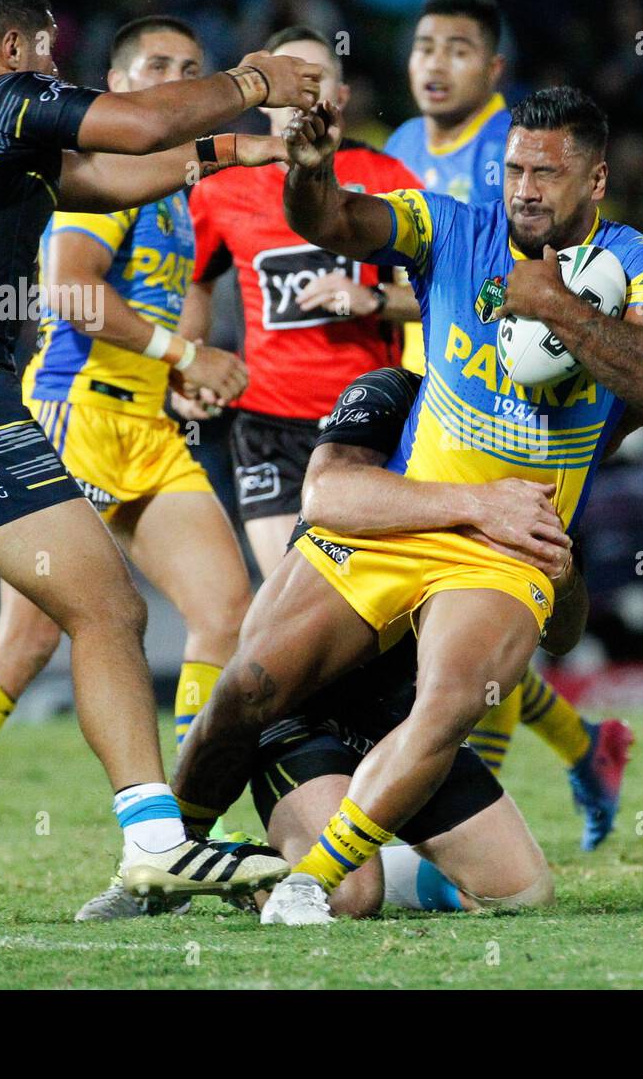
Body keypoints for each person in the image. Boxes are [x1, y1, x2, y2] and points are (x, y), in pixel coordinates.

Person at [0, 0, 320, 902]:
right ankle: (156, 837)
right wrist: (255, 79)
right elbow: (136, 131)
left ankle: (144, 834)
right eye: (49, 47)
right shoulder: (3, 98)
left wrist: (229, 148)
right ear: (16, 48)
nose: (53, 62)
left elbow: (104, 181)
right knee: (106, 610)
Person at [175, 85, 643, 925]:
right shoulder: (451, 228)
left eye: (547, 174)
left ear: (595, 182)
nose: (524, 188)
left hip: (503, 549)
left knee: (464, 740)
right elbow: (334, 222)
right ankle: (164, 855)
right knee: (251, 683)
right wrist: (308, 170)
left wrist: (554, 303)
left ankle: (313, 878)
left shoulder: (642, 263)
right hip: (414, 517)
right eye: (515, 168)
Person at [385, 0, 634, 845]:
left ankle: (471, 813)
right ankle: (581, 746)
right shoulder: (399, 145)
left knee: (488, 607)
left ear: (491, 67)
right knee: (443, 617)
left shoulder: (514, 146)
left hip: (519, 406)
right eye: (424, 47)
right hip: (429, 399)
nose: (436, 64)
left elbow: (507, 283)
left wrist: (377, 301)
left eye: (457, 49)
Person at [248, 364, 589, 919]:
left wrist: (564, 573)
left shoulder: (541, 453)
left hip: (408, 728)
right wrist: (473, 504)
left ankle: (388, 866)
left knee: (524, 896)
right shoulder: (391, 398)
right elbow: (324, 494)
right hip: (311, 711)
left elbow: (565, 638)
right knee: (351, 898)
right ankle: (232, 867)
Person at [186, 25, 421, 577]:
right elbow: (197, 280)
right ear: (263, 94)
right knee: (286, 598)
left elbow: (438, 291)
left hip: (368, 419)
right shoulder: (222, 188)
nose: (300, 93)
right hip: (268, 424)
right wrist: (191, 357)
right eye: (288, 79)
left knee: (361, 604)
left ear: (340, 99)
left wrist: (371, 298)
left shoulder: (387, 179)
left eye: (315, 81)